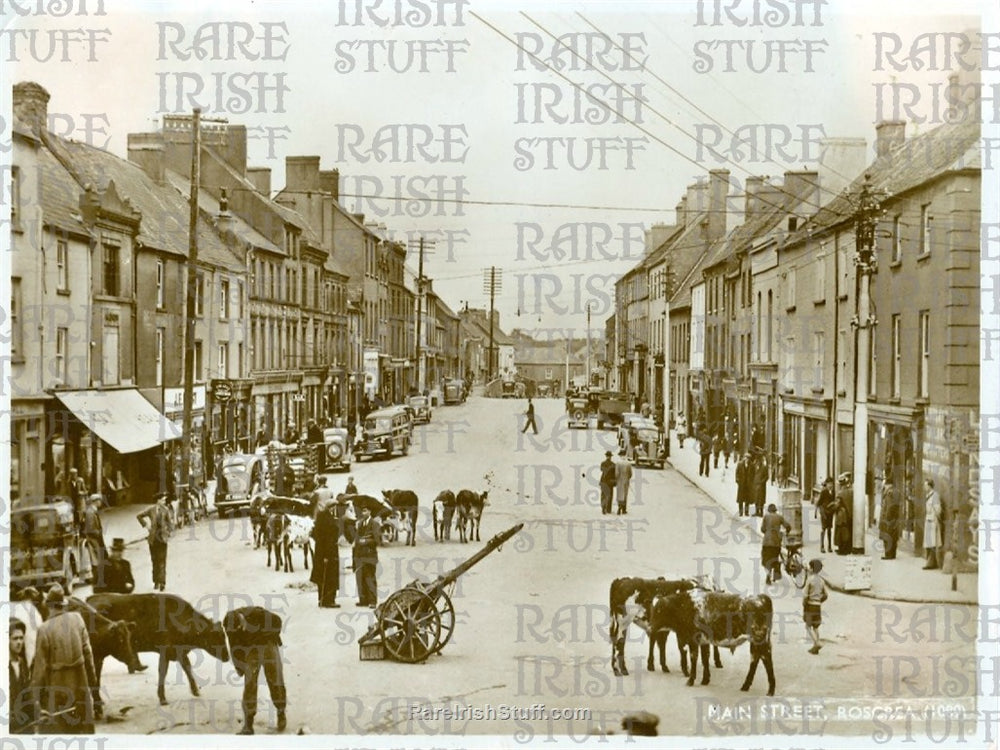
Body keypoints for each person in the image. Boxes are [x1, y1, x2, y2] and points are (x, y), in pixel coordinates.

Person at [30, 584, 97, 733]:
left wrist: (35, 700)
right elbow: (88, 656)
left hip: (58, 688)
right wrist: (93, 685)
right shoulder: (77, 619)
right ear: (63, 604)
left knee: (60, 732)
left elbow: (39, 669)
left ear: (48, 606)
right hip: (80, 685)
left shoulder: (44, 629)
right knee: (83, 731)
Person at [223, 607, 287, 735]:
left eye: (241, 626)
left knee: (275, 679)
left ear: (242, 619)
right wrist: (240, 666)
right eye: (237, 630)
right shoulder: (230, 625)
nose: (240, 630)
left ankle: (281, 711)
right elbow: (234, 646)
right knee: (250, 683)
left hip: (268, 643)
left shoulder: (258, 613)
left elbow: (277, 622)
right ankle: (248, 724)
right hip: (250, 649)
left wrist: (266, 635)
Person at [137, 492, 174, 591]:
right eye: (163, 500)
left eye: (164, 500)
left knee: (162, 561)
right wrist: (146, 525)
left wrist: (169, 533)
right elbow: (139, 516)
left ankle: (162, 583)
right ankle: (156, 582)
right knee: (154, 561)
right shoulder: (151, 510)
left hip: (162, 539)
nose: (164, 501)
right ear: (158, 501)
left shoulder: (166, 510)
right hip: (153, 539)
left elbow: (170, 523)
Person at [311, 502, 341, 609]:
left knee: (323, 577)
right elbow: (326, 538)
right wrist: (326, 555)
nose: (334, 508)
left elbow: (315, 534)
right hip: (328, 552)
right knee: (329, 577)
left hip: (323, 552)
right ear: (330, 507)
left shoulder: (323, 517)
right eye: (333, 507)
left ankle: (322, 599)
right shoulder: (326, 518)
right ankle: (328, 600)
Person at [9, 617, 35, 734]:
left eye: (21, 638)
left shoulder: (22, 663)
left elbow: (26, 695)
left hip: (23, 724)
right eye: (15, 639)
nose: (19, 642)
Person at [353, 503, 379, 607]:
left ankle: (372, 601)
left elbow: (377, 540)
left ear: (370, 512)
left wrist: (366, 541)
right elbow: (356, 539)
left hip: (370, 555)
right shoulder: (360, 524)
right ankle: (363, 600)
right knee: (360, 578)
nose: (364, 513)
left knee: (370, 578)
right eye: (362, 511)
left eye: (365, 511)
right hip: (360, 555)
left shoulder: (375, 524)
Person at [760, 503, 791, 584]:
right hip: (776, 542)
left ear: (769, 510)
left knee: (766, 559)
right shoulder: (779, 517)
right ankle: (776, 572)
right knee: (774, 558)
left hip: (766, 543)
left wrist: (767, 532)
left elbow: (762, 529)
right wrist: (786, 532)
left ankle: (768, 574)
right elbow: (788, 526)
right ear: (775, 510)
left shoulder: (766, 517)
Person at [803, 559, 828, 655]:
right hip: (818, 606)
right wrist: (820, 601)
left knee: (808, 626)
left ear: (812, 569)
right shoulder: (821, 581)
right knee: (816, 627)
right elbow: (825, 594)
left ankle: (817, 643)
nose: (808, 569)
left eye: (809, 567)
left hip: (810, 605)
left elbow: (805, 595)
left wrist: (804, 604)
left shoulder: (810, 580)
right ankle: (815, 647)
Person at [82, 493, 107, 580]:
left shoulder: (92, 511)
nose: (100, 502)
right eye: (99, 500)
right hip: (93, 539)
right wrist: (98, 533)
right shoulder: (90, 512)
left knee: (97, 558)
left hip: (95, 539)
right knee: (96, 560)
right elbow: (90, 528)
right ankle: (97, 578)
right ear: (95, 501)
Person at [923, 479, 943, 570]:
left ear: (930, 486)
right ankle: (930, 561)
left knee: (932, 542)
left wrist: (935, 518)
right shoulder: (928, 495)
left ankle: (931, 563)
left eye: (926, 485)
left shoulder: (935, 496)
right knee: (928, 542)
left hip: (932, 521)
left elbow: (938, 510)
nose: (924, 487)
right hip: (928, 520)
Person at [878, 481, 901, 560]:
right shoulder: (896, 491)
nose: (883, 486)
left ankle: (888, 554)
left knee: (887, 537)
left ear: (888, 485)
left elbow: (889, 507)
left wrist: (887, 519)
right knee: (893, 537)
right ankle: (893, 554)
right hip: (895, 519)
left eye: (884, 485)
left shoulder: (889, 493)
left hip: (888, 520)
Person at [816, 477, 837, 554]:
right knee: (823, 529)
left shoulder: (833, 492)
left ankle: (829, 546)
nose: (830, 485)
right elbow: (819, 503)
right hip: (824, 513)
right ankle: (822, 546)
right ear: (826, 484)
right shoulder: (824, 491)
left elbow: (834, 500)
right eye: (829, 484)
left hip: (830, 513)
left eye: (832, 484)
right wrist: (822, 512)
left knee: (829, 529)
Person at [835, 474, 853, 555]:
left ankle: (842, 549)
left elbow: (837, 505)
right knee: (848, 531)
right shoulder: (852, 491)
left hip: (842, 515)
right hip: (850, 515)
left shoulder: (840, 493)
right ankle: (848, 548)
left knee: (840, 532)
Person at [614, 449, 633, 515]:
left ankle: (619, 507)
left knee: (619, 494)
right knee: (625, 494)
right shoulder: (628, 463)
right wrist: (627, 478)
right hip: (626, 481)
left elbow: (616, 473)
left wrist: (616, 479)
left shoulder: (618, 463)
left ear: (620, 455)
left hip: (619, 481)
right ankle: (624, 509)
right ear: (625, 455)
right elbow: (630, 474)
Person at [599, 451, 616, 515]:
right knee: (610, 495)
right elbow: (615, 474)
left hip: (603, 481)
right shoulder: (613, 464)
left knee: (603, 495)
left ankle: (603, 507)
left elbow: (601, 470)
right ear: (611, 457)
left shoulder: (603, 463)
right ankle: (608, 509)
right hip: (610, 482)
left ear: (606, 456)